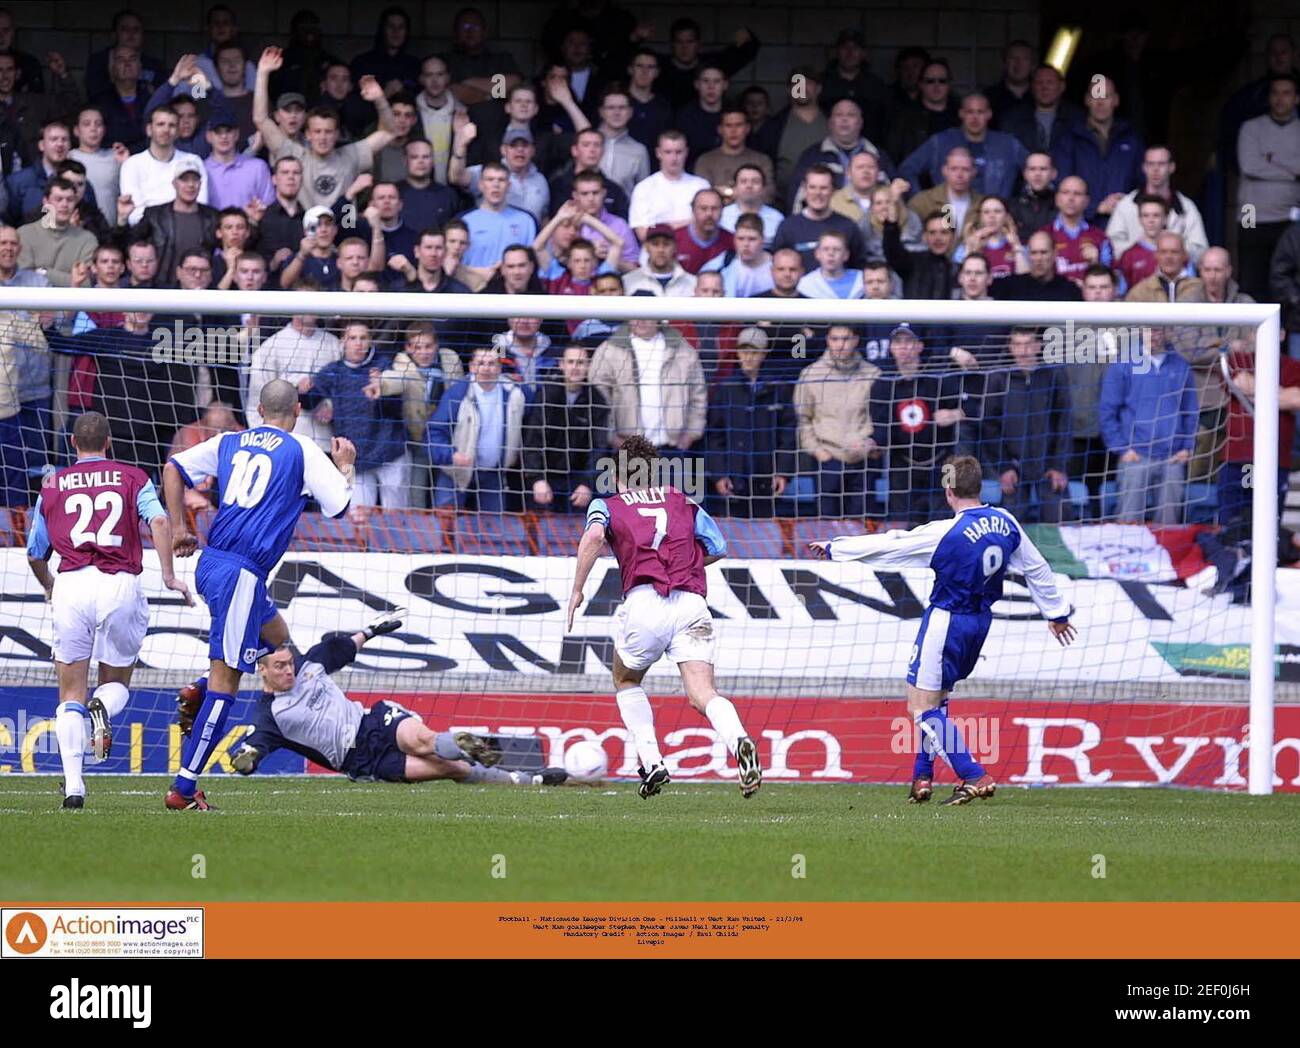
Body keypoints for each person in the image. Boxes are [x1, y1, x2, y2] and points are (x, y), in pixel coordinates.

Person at [808, 454, 1075, 805]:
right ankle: (922, 777)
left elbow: (893, 544)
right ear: (980, 486)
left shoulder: (947, 531)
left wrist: (836, 548)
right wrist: (1055, 613)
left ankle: (974, 775)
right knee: (939, 697)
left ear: (949, 490)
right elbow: (1038, 568)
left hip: (946, 619)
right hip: (980, 623)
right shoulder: (1006, 521)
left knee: (921, 706)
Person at [161, 380, 356, 810]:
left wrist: (178, 528)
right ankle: (184, 789)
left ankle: (197, 690)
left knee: (279, 641)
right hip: (242, 575)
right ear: (298, 408)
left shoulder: (230, 441)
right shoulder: (302, 449)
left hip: (213, 563)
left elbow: (173, 467)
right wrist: (345, 465)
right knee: (226, 683)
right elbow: (339, 508)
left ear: (259, 409)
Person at [565, 434, 761, 798]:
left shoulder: (606, 505)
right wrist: (682, 565)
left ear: (616, 474)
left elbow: (593, 537)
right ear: (653, 472)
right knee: (703, 693)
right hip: (691, 602)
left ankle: (652, 762)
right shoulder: (681, 499)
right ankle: (739, 741)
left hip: (645, 602)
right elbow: (718, 548)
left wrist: (578, 589)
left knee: (626, 678)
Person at [25, 411, 193, 809]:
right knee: (115, 680)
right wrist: (169, 575)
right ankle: (103, 705)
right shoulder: (133, 477)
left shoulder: (52, 484)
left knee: (69, 692)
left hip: (71, 585)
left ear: (72, 444)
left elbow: (35, 553)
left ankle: (73, 787)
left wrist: (51, 587)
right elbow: (158, 520)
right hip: (120, 583)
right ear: (108, 442)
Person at [179, 615, 566, 786]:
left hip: (373, 722)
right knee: (451, 770)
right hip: (359, 760)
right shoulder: (270, 718)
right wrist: (245, 761)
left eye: (289, 662)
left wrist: (373, 629)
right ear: (261, 671)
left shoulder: (311, 664)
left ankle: (465, 742)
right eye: (279, 666)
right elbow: (251, 754)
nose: (288, 670)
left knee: (424, 740)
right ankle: (526, 780)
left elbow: (345, 646)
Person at [1098, 325, 1199, 524]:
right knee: (1128, 523)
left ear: (1168, 332)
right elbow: (1107, 411)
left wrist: (1187, 447)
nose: (1154, 335)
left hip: (1172, 458)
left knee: (1169, 525)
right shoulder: (1123, 364)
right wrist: (1121, 448)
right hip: (1135, 456)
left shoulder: (1181, 366)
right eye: (1149, 330)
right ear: (1139, 332)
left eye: (1159, 330)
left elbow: (1191, 410)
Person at [521, 344, 608, 513]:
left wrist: (587, 483)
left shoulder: (597, 400)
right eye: (571, 362)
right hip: (545, 480)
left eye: (581, 362)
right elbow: (533, 439)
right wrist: (536, 479)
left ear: (589, 365)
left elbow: (599, 448)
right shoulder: (546, 394)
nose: (575, 367)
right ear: (561, 365)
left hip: (577, 481)